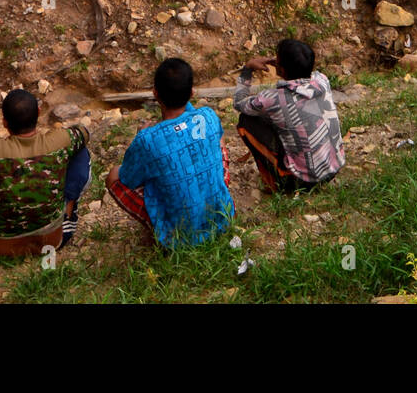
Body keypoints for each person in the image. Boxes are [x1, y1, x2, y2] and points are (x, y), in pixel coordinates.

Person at [106, 58, 234, 248]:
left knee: (113, 175)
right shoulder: (207, 116)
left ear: (155, 94)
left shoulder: (148, 139)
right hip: (222, 219)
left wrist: (140, 139)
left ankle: (161, 230)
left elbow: (129, 178)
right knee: (218, 140)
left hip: (180, 239)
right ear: (192, 93)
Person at [0, 89, 90, 256]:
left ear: (4, 123)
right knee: (80, 150)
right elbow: (84, 132)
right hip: (53, 242)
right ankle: (68, 212)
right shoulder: (59, 141)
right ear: (38, 114)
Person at [234, 38, 344, 194]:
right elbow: (303, 72)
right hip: (333, 169)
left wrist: (248, 69)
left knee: (246, 120)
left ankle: (277, 181)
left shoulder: (274, 99)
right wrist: (285, 64)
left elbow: (239, 103)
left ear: (282, 70)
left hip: (304, 181)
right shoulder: (322, 80)